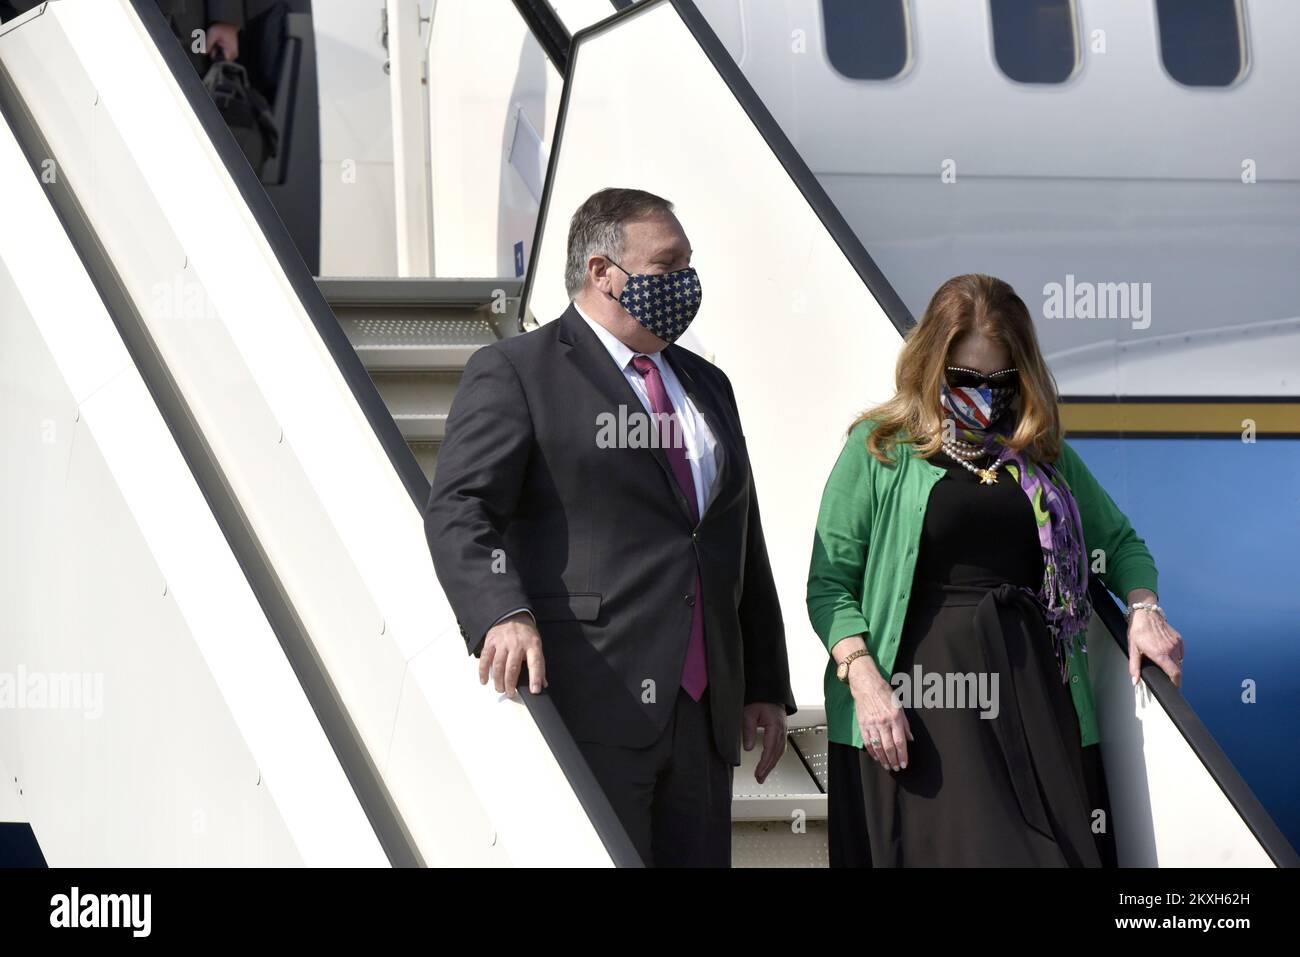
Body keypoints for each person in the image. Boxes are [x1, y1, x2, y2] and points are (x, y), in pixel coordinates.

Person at [424, 187, 796, 867]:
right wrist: (501, 610)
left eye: (688, 264)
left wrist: (766, 680)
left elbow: (740, 538)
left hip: (702, 711)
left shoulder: (708, 386)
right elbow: (460, 508)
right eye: (669, 263)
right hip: (593, 695)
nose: (687, 281)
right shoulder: (518, 371)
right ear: (603, 272)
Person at [807, 273, 1185, 867]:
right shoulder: (879, 447)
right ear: (932, 364)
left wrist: (1144, 609)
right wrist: (864, 679)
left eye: (1000, 380)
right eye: (963, 379)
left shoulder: (1043, 452)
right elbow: (830, 584)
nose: (983, 393)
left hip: (1031, 682)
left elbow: (1120, 544)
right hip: (919, 694)